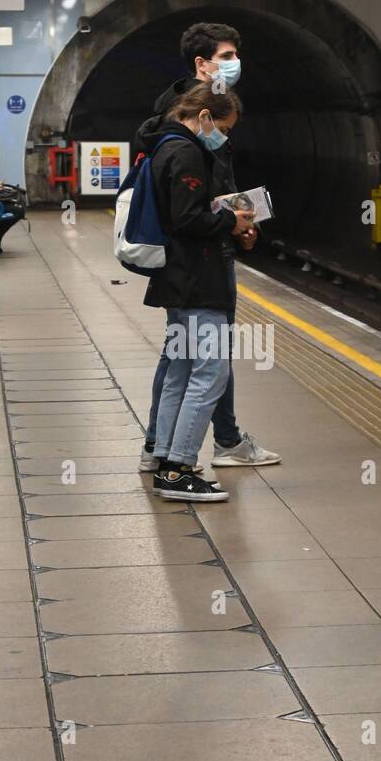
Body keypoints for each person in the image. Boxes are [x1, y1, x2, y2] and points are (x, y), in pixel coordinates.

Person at [137, 21, 281, 472]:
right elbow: (188, 209)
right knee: (202, 361)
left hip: (206, 250)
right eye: (225, 56)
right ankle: (189, 452)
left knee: (187, 357)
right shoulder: (184, 128)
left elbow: (216, 187)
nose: (234, 64)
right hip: (196, 261)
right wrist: (225, 222)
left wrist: (241, 221)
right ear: (201, 65)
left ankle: (167, 448)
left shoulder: (207, 116)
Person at [145, 83, 254, 501]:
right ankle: (177, 471)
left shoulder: (165, 146)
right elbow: (187, 219)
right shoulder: (187, 152)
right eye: (222, 127)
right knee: (211, 373)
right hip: (196, 279)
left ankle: (166, 458)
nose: (223, 136)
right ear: (205, 115)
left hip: (178, 280)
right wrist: (230, 221)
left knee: (180, 372)